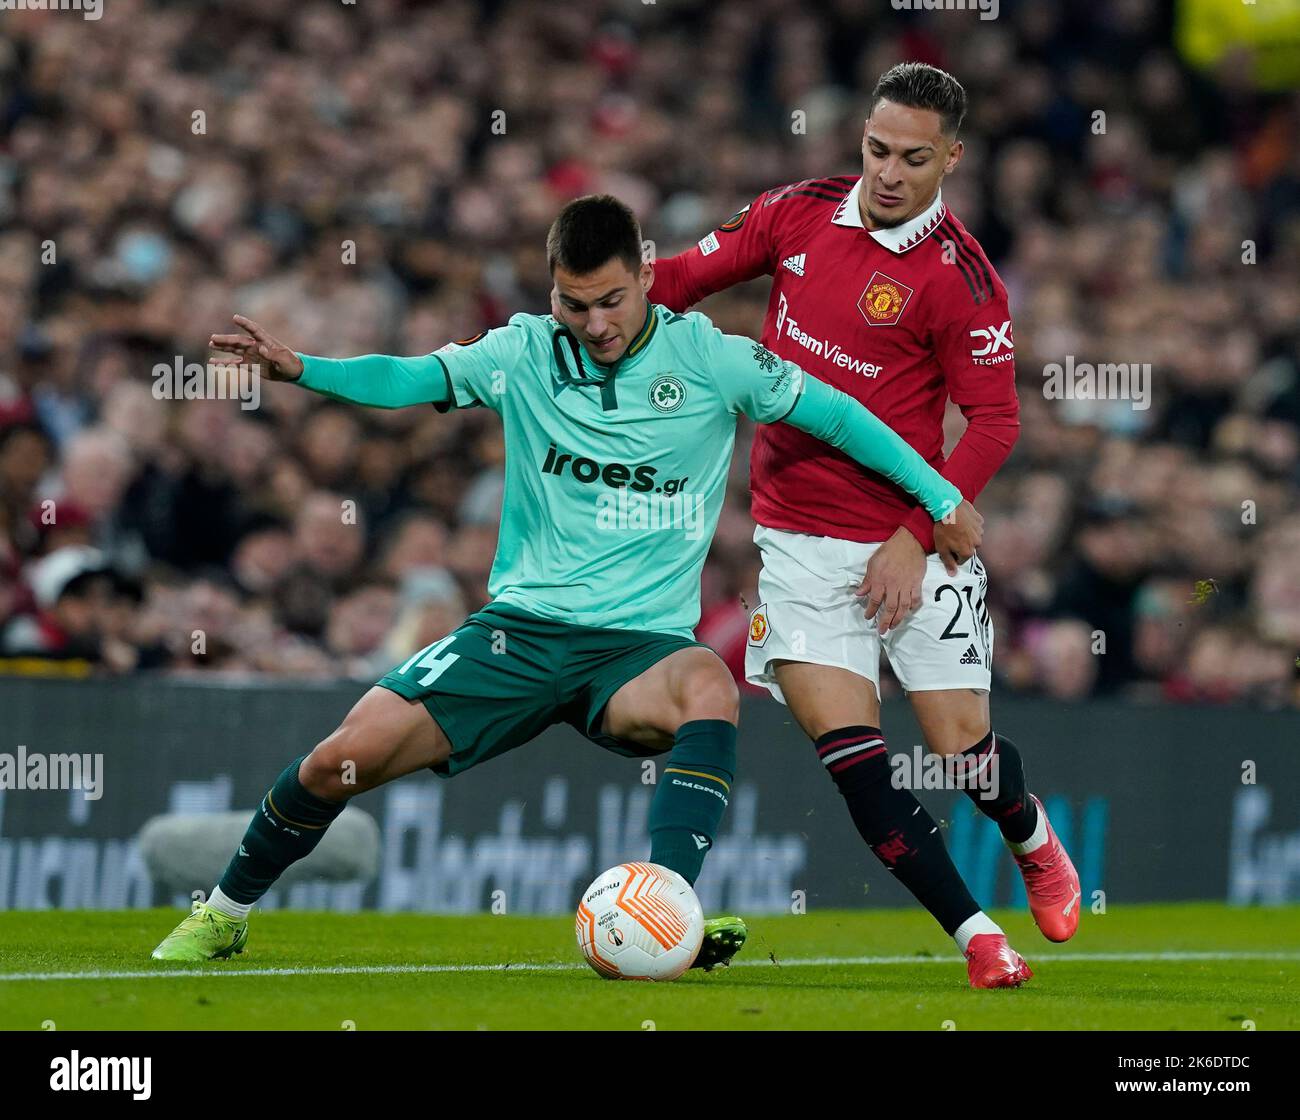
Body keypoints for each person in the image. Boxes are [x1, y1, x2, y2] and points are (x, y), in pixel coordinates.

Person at [150, 194, 981, 965]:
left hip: (638, 650)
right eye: (572, 304)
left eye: (611, 301)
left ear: (649, 275)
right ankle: (224, 911)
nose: (592, 323)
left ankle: (670, 909)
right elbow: (412, 378)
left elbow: (837, 415)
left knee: (708, 688)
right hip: (520, 631)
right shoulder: (521, 351)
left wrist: (940, 495)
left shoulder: (715, 361)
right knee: (340, 761)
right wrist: (306, 370)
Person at [649, 62, 1081, 988]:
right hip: (797, 543)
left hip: (908, 536)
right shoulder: (798, 211)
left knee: (964, 757)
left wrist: (917, 534)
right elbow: (683, 279)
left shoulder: (963, 278)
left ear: (951, 159)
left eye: (912, 158)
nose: (886, 172)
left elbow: (996, 422)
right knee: (857, 764)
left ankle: (1030, 836)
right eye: (876, 149)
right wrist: (602, 303)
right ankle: (978, 937)